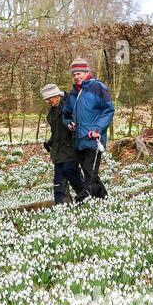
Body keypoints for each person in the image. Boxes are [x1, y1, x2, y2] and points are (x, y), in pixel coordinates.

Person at [62, 57, 115, 199]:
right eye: (74, 74)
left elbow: (109, 110)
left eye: (79, 73)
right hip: (78, 140)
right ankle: (103, 198)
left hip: (93, 139)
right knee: (90, 173)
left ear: (86, 72)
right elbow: (65, 114)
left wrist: (98, 129)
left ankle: (82, 199)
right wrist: (68, 123)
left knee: (90, 175)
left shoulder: (98, 88)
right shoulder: (73, 93)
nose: (76, 77)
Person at [41, 83, 86, 204]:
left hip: (71, 147)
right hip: (59, 150)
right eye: (46, 99)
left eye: (49, 99)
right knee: (58, 180)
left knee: (71, 170)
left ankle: (85, 197)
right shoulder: (53, 112)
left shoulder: (69, 106)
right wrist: (50, 142)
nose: (47, 102)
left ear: (56, 96)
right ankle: (61, 206)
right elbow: (57, 132)